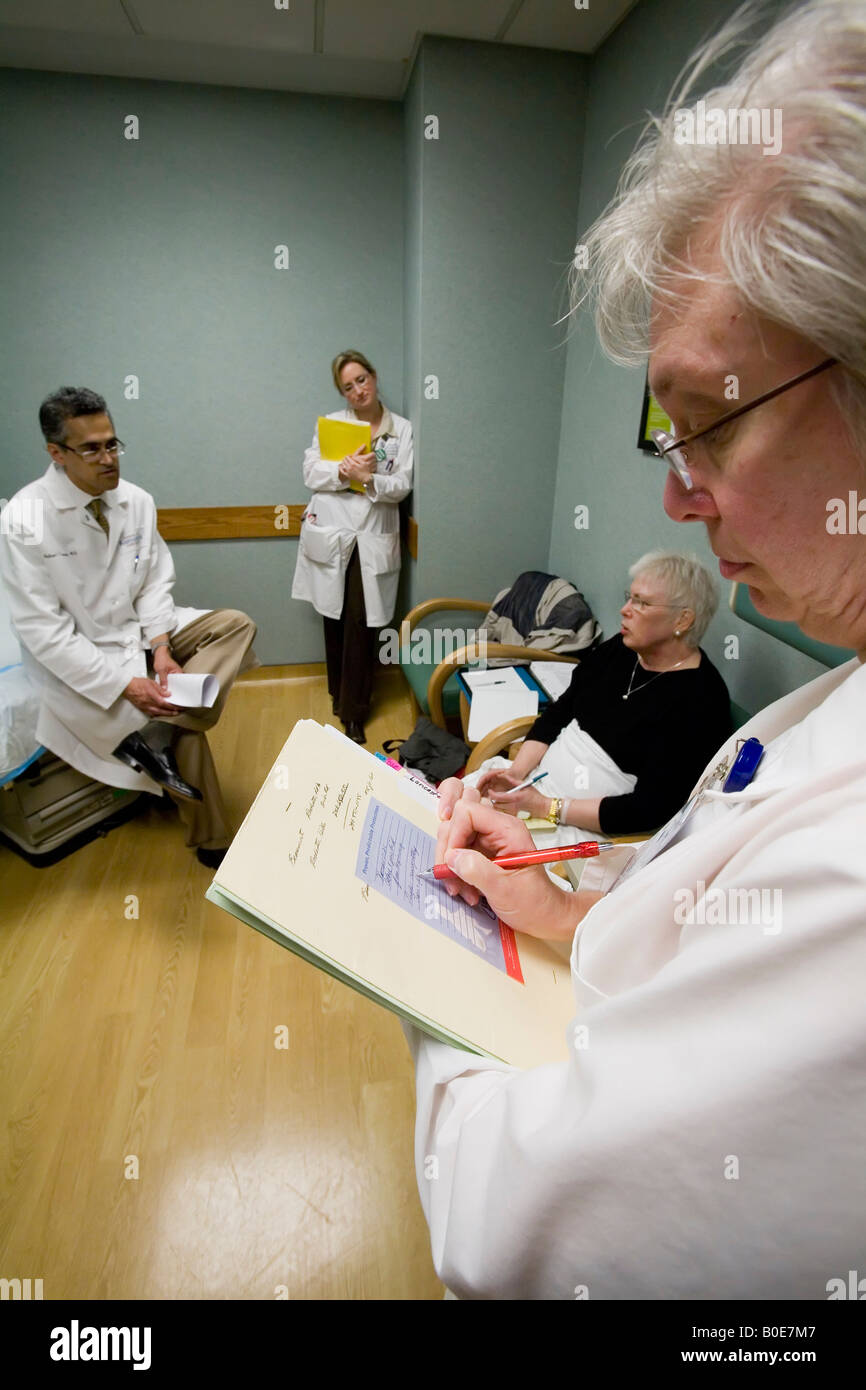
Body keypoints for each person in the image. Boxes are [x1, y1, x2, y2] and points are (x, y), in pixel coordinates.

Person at [404, 0, 866, 1298]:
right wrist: (565, 908)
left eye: (711, 426)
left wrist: (424, 950)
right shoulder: (830, 695)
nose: (675, 496)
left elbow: (507, 1234)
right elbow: (708, 919)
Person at [0, 387, 258, 867]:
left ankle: (171, 715)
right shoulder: (23, 519)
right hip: (82, 657)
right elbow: (43, 632)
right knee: (188, 734)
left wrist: (160, 646)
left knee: (235, 626)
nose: (108, 459)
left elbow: (154, 581)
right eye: (92, 448)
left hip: (136, 634)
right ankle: (213, 841)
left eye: (113, 444)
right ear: (56, 454)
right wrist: (123, 683)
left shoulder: (136, 501)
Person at [468, 551, 732, 846]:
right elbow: (560, 712)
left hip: (590, 831)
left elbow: (650, 810)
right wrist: (516, 774)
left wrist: (547, 807)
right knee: (454, 812)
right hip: (534, 785)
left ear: (683, 618)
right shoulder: (621, 649)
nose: (624, 610)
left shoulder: (700, 700)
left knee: (477, 854)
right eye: (628, 597)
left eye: (641, 602)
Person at [291, 351, 413, 744]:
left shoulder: (402, 430)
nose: (358, 390)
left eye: (362, 379)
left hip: (372, 536)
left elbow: (402, 485)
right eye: (348, 386)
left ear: (374, 377)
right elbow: (311, 472)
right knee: (334, 616)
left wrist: (370, 479)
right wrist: (344, 473)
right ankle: (338, 693)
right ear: (341, 392)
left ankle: (354, 712)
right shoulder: (332, 426)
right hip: (333, 533)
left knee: (361, 625)